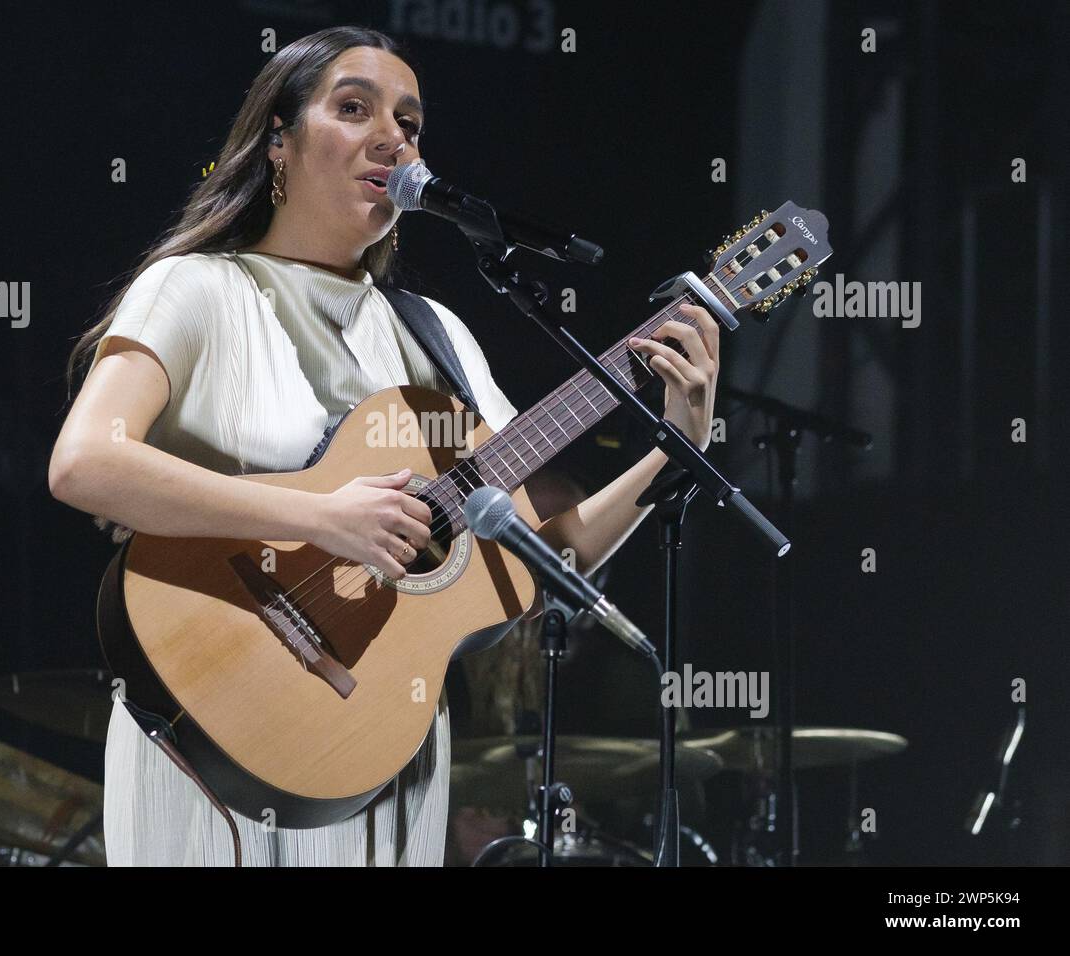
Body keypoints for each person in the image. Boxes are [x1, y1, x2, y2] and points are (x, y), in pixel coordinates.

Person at [48, 25, 721, 866]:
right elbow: (86, 463)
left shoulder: (437, 336)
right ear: (279, 145)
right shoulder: (197, 288)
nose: (392, 136)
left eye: (409, 121)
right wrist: (321, 514)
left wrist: (678, 444)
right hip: (215, 726)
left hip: (383, 750)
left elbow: (558, 556)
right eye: (354, 107)